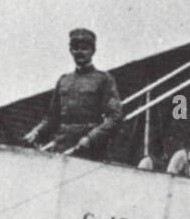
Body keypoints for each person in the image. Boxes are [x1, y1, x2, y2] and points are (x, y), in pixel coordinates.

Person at [23, 28, 124, 160]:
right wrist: (36, 132)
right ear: (71, 51)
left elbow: (115, 117)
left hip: (90, 151)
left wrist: (91, 138)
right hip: (63, 146)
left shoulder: (103, 79)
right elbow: (52, 117)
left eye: (84, 48)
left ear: (93, 51)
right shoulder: (64, 80)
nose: (79, 52)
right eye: (75, 48)